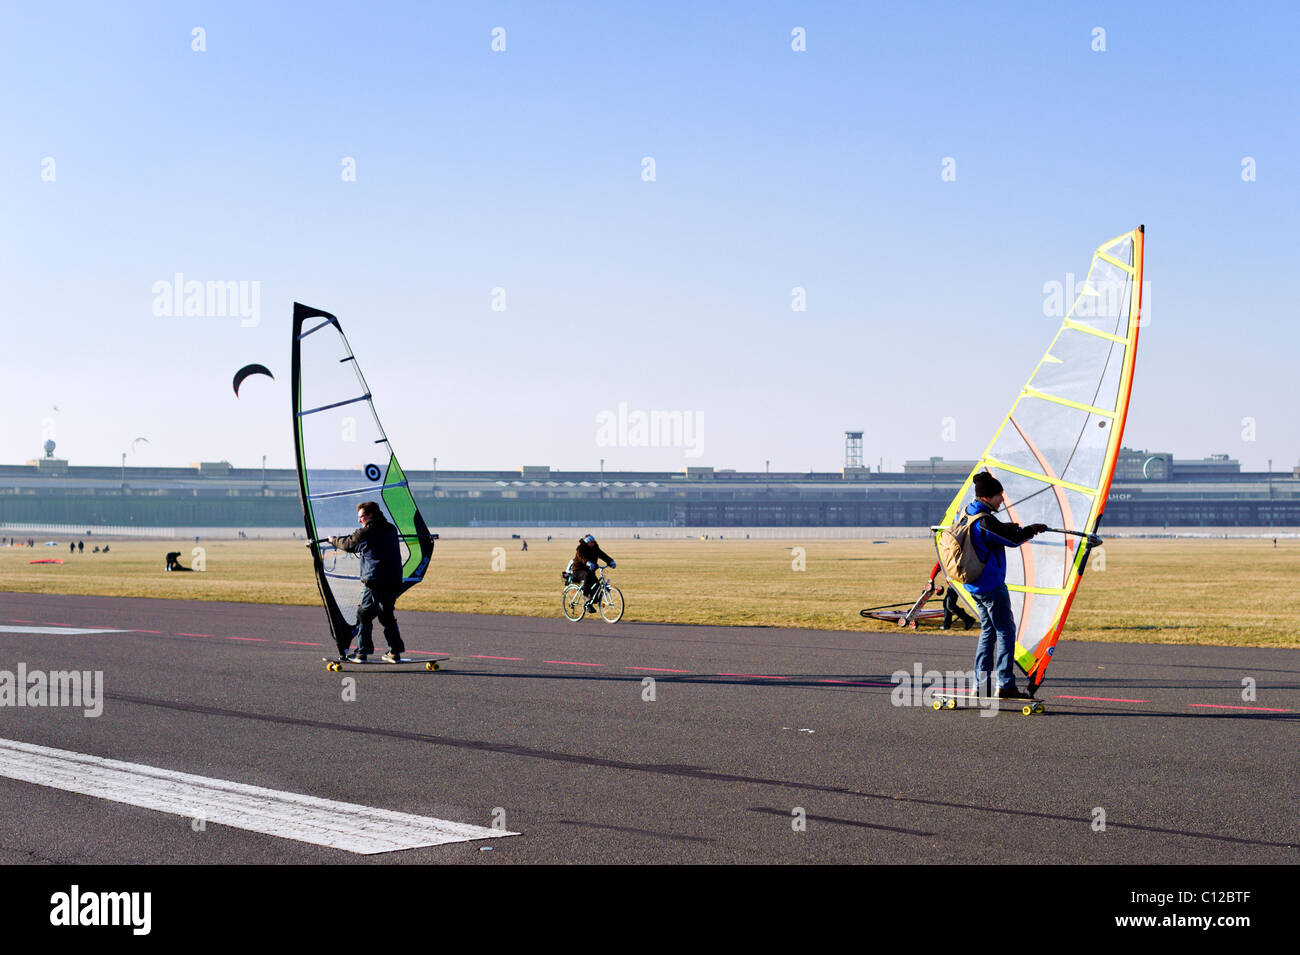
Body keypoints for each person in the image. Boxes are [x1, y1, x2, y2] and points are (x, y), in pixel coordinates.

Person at [962, 472, 1047, 700]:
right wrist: (1030, 530)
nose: (1002, 500)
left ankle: (980, 685)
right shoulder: (985, 520)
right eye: (999, 496)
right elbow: (1011, 540)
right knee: (1006, 631)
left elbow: (995, 533)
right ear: (988, 497)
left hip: (974, 586)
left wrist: (1010, 527)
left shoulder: (968, 512)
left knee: (989, 631)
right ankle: (1006, 684)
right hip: (990, 587)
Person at [328, 501, 406, 663]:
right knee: (386, 615)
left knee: (363, 615)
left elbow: (348, 544)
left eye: (361, 516)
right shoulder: (391, 529)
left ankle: (361, 652)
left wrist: (333, 540)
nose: (359, 520)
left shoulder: (365, 532)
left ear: (370, 515)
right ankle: (394, 652)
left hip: (375, 581)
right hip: (394, 580)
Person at [570, 534, 615, 611]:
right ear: (587, 543)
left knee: (597, 585)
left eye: (593, 542)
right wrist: (588, 563)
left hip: (589, 570)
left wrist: (610, 561)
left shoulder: (595, 548)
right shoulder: (580, 548)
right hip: (578, 570)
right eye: (591, 542)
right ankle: (585, 596)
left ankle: (589, 603)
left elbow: (602, 555)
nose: (593, 544)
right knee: (587, 575)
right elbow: (582, 557)